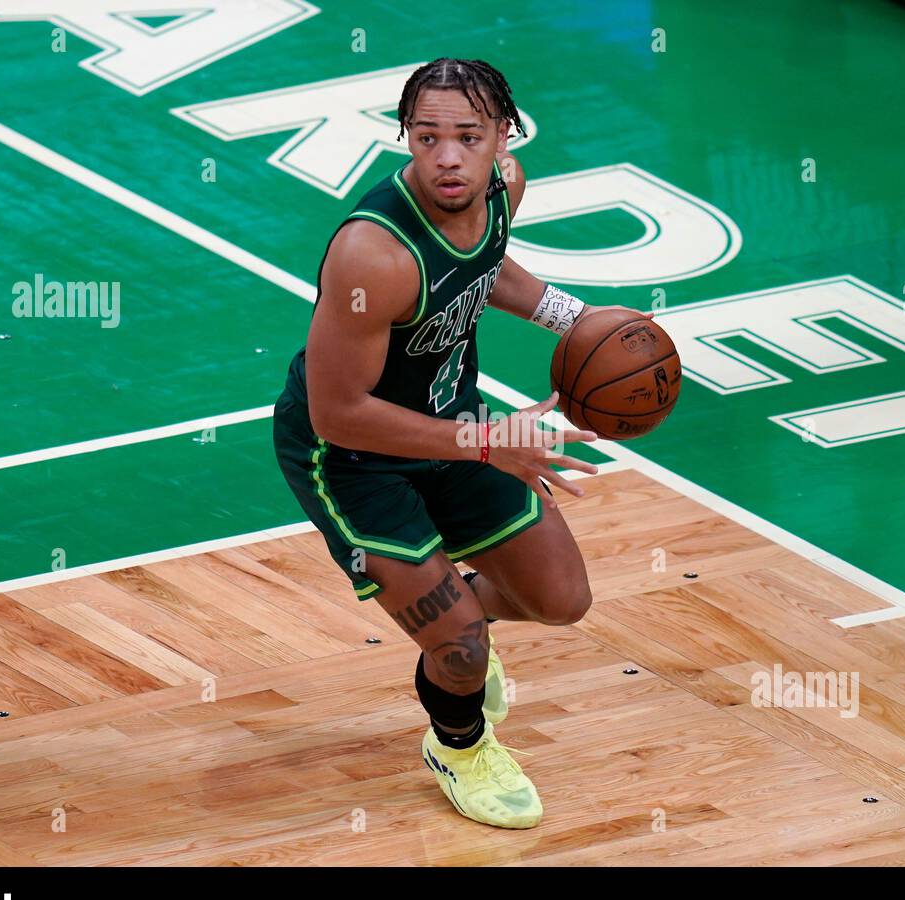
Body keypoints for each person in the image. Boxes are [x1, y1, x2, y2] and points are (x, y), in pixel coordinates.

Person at [273, 58, 650, 829]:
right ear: (406, 138)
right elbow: (340, 411)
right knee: (460, 652)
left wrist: (567, 315)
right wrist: (485, 444)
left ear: (503, 138)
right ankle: (460, 743)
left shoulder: (504, 186)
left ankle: (457, 629)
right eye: (427, 137)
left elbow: (485, 265)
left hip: (455, 426)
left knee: (561, 600)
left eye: (468, 137)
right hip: (348, 458)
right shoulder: (370, 256)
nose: (447, 157)